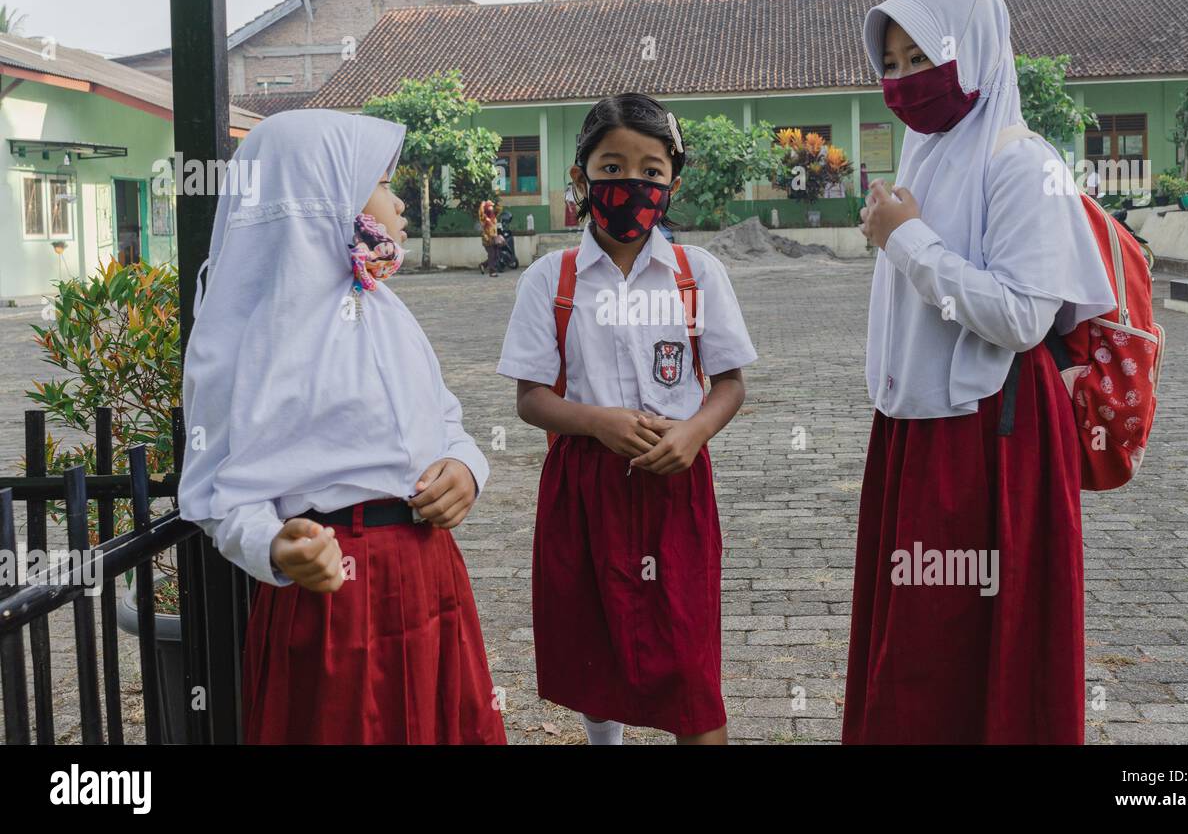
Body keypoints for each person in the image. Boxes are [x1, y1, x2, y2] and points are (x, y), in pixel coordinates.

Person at [179, 109, 506, 745]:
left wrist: (468, 467)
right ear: (324, 198)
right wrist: (275, 547)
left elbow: (443, 420)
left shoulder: (385, 309)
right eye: (381, 183)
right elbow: (219, 493)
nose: (400, 201)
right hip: (335, 596)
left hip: (427, 572)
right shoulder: (246, 342)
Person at [846, 0, 1116, 744]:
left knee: (969, 643)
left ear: (975, 51)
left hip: (990, 431)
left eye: (920, 55)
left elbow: (1024, 316)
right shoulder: (925, 157)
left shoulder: (1023, 162)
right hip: (914, 432)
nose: (902, 78)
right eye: (889, 62)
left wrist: (907, 239)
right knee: (918, 647)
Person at [496, 92, 757, 745]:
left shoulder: (699, 276)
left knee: (689, 660)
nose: (630, 185)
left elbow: (729, 382)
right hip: (584, 485)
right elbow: (530, 398)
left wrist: (695, 431)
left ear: (673, 178)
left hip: (676, 485)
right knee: (594, 636)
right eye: (611, 169)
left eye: (650, 170)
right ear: (582, 176)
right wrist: (596, 422)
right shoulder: (550, 280)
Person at [479, 197, 501, 276]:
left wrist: (498, 203)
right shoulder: (484, 218)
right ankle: (492, 271)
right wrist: (483, 204)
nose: (491, 209)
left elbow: (498, 210)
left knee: (496, 255)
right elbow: (483, 229)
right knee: (491, 254)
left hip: (494, 237)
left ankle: (483, 265)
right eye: (490, 208)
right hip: (487, 239)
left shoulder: (493, 217)